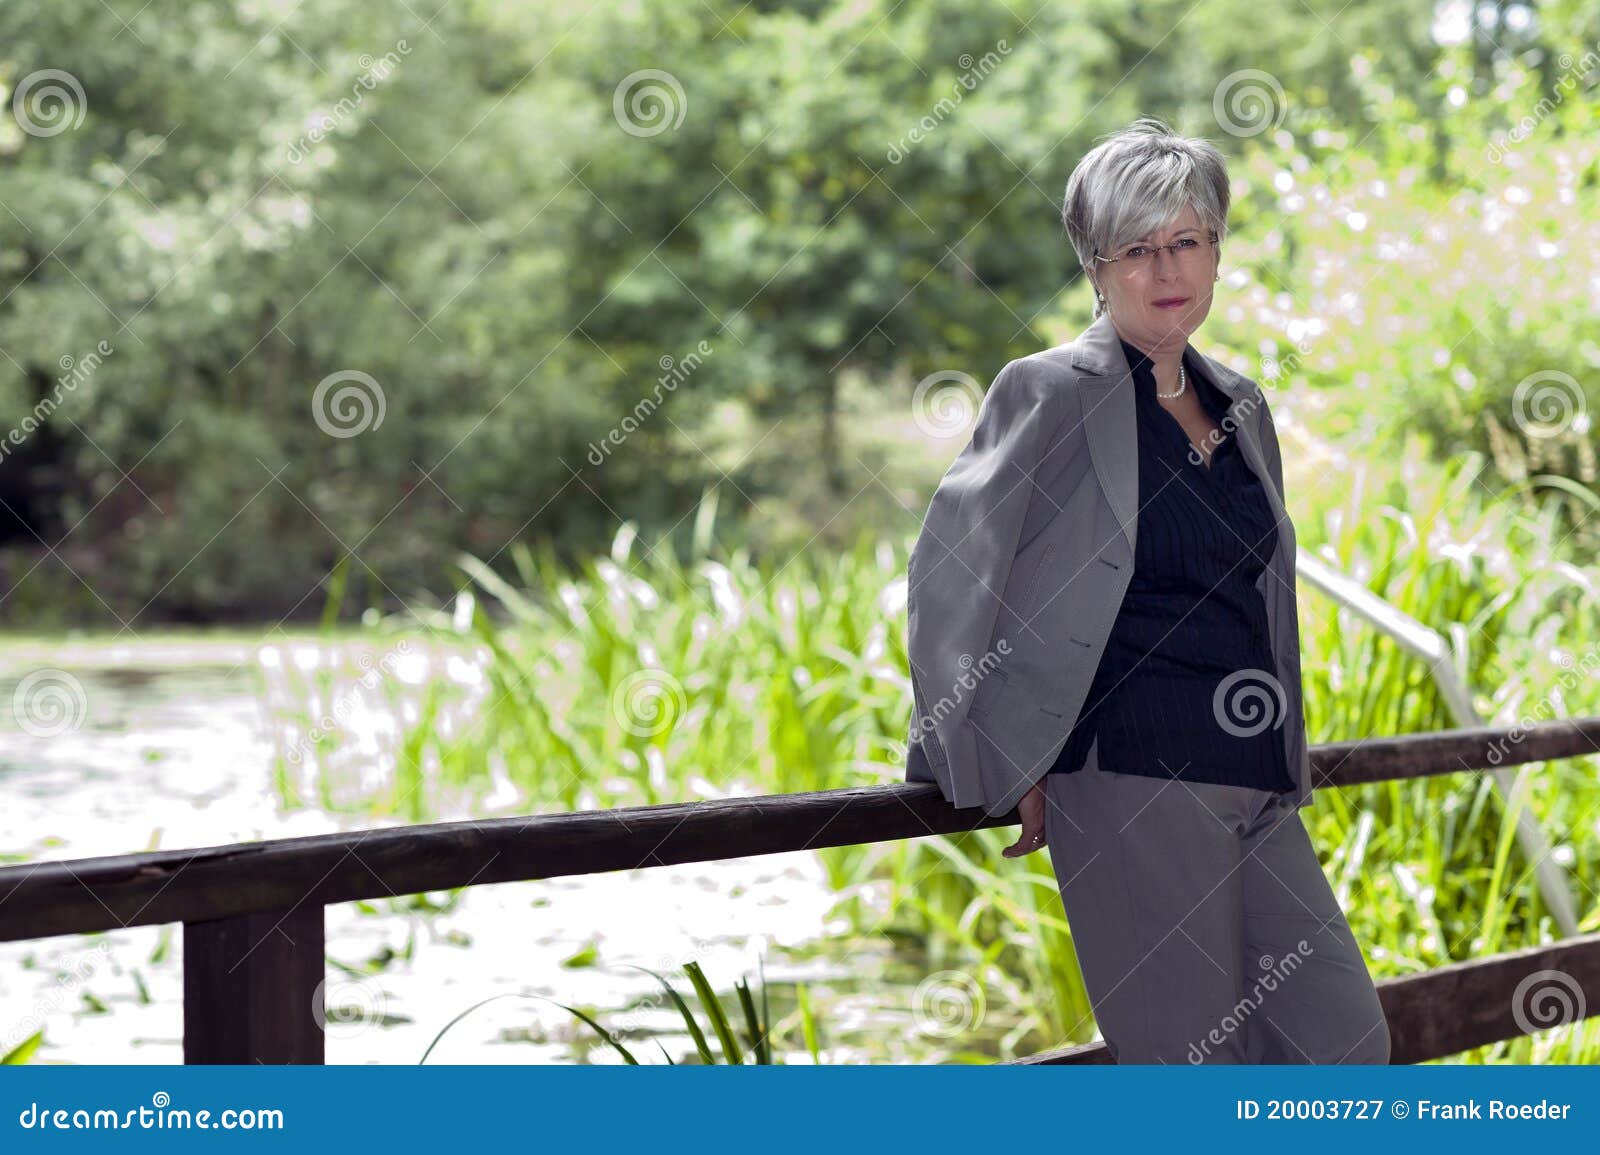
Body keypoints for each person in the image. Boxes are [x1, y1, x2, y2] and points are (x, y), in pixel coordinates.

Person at [904, 117, 1389, 1064]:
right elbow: (951, 573)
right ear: (1095, 263)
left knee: (1345, 1050)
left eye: (1188, 241)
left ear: (1215, 251)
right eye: (1138, 247)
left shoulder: (1242, 404)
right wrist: (1005, 757)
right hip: (1129, 783)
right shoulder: (1046, 390)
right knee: (1192, 1077)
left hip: (1256, 779)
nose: (1168, 267)